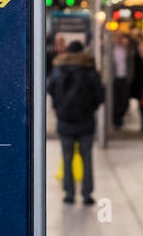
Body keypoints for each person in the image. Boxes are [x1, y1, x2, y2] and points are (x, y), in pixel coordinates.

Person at [48, 39, 104, 206]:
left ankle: (69, 194)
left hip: (65, 121)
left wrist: (59, 108)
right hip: (86, 121)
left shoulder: (58, 69)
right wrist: (90, 108)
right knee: (87, 158)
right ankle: (87, 194)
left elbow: (50, 90)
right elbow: (99, 96)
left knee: (67, 157)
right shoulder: (90, 69)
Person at [111, 31, 135, 129]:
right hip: (114, 78)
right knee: (115, 100)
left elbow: (130, 64)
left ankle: (119, 117)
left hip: (124, 77)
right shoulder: (111, 50)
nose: (119, 39)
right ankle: (116, 121)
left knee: (124, 100)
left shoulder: (127, 49)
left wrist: (130, 76)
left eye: (120, 37)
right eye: (117, 37)